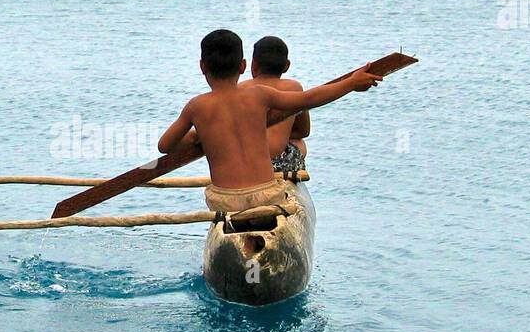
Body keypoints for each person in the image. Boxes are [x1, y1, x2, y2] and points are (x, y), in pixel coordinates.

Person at [157, 29, 381, 216]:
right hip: (266, 194)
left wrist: (198, 137)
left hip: (224, 201)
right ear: (243, 66)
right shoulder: (260, 95)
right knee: (296, 155)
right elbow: (310, 99)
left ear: (202, 66)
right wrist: (351, 83)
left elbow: (165, 146)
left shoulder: (196, 106)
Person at [245, 35, 308, 173]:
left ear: (253, 64)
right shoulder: (294, 87)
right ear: (287, 65)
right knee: (300, 143)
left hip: (245, 161)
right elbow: (304, 131)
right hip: (278, 164)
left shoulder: (240, 88)